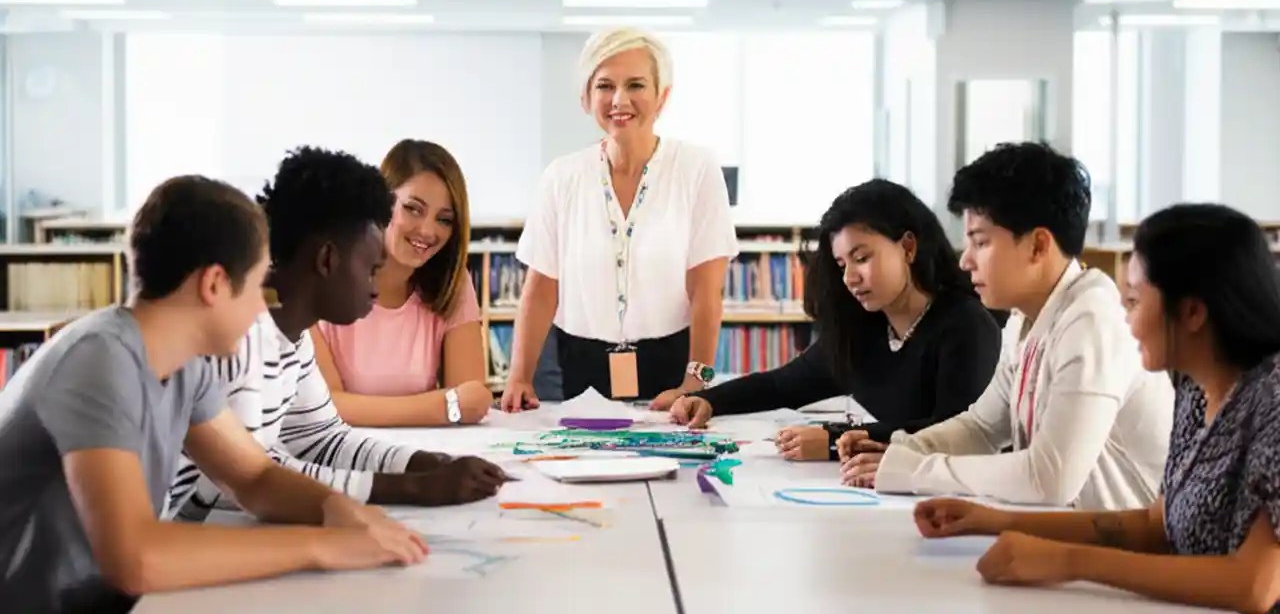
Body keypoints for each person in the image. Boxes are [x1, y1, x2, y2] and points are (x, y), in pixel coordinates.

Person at [0, 176, 425, 613]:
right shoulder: (98, 360)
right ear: (215, 284)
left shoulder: (185, 365)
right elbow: (136, 557)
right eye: (257, 286)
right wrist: (322, 545)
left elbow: (253, 478)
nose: (262, 307)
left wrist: (336, 507)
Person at [913, 203, 1280, 613]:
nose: (1125, 321)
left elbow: (1253, 586)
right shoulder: (1198, 393)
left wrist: (1068, 561)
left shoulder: (1272, 405)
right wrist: (993, 520)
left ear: (1192, 312)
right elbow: (1154, 526)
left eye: (1134, 302)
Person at [167, 147, 507, 522]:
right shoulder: (238, 338)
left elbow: (323, 440)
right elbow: (254, 479)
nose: (376, 286)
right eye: (370, 267)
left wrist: (426, 464)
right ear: (328, 260)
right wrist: (418, 488)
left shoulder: (291, 341)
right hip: (169, 544)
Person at [849, 142, 1173, 510]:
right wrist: (902, 449)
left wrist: (917, 471)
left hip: (1127, 556)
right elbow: (983, 428)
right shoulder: (1025, 320)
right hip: (1072, 542)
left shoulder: (1092, 319)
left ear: (1038, 246)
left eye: (981, 242)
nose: (966, 261)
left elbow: (1049, 479)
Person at [668, 179, 1001, 462]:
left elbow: (953, 432)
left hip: (953, 501)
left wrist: (833, 439)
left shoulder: (965, 326)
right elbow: (782, 384)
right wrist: (710, 401)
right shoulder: (863, 328)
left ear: (908, 247)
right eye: (842, 265)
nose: (850, 278)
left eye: (862, 258)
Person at [499, 27, 738, 410]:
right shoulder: (562, 176)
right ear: (585, 97)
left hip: (671, 363)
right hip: (578, 363)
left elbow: (707, 290)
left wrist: (697, 381)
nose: (619, 99)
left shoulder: (696, 168)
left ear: (662, 97)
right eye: (605, 86)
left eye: (636, 85)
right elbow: (541, 287)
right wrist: (518, 377)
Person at [313, 139, 492, 427]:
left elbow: (472, 401)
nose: (427, 231)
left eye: (444, 220)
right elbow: (325, 407)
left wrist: (451, 406)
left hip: (420, 460)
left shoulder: (452, 285)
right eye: (413, 208)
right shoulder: (323, 276)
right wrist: (443, 407)